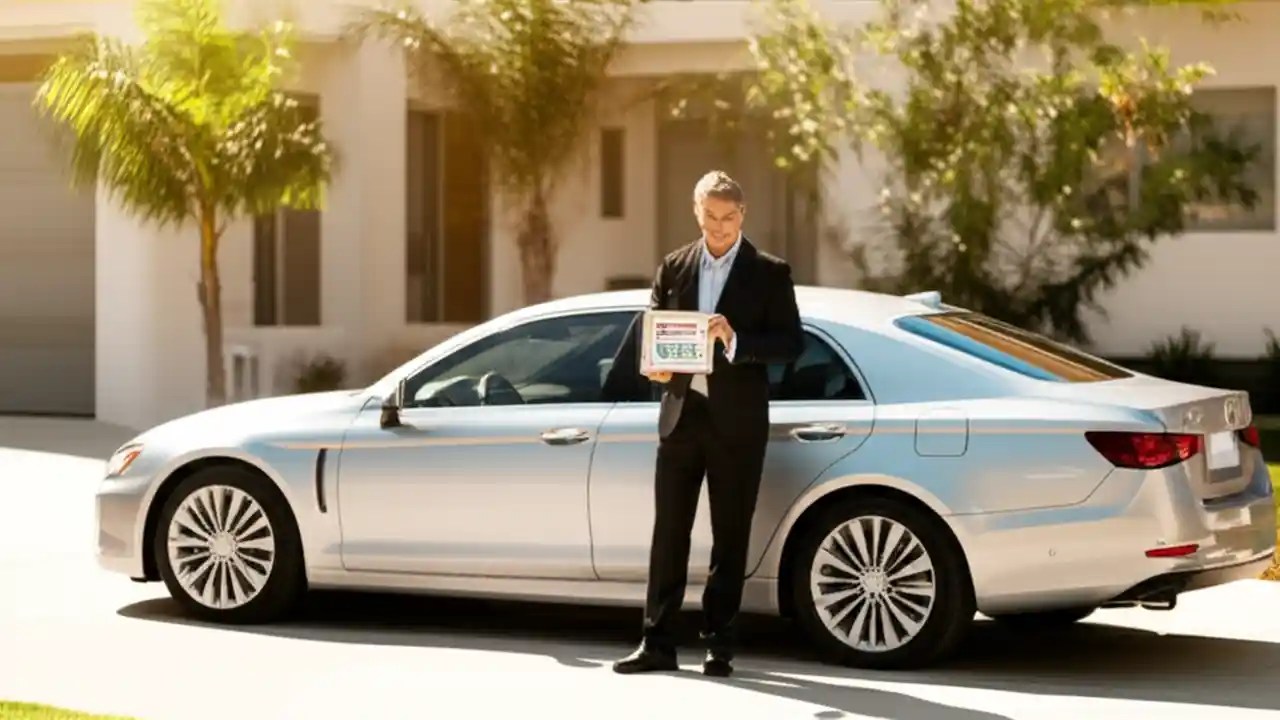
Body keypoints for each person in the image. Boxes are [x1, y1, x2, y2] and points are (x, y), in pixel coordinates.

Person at [602, 170, 803, 677]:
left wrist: (735, 340)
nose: (719, 227)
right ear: (697, 211)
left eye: (728, 217)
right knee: (668, 532)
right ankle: (657, 643)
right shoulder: (673, 267)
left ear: (743, 215)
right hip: (681, 417)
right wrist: (654, 364)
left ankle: (719, 645)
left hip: (738, 424)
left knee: (729, 535)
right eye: (710, 216)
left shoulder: (770, 272)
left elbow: (791, 345)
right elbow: (652, 332)